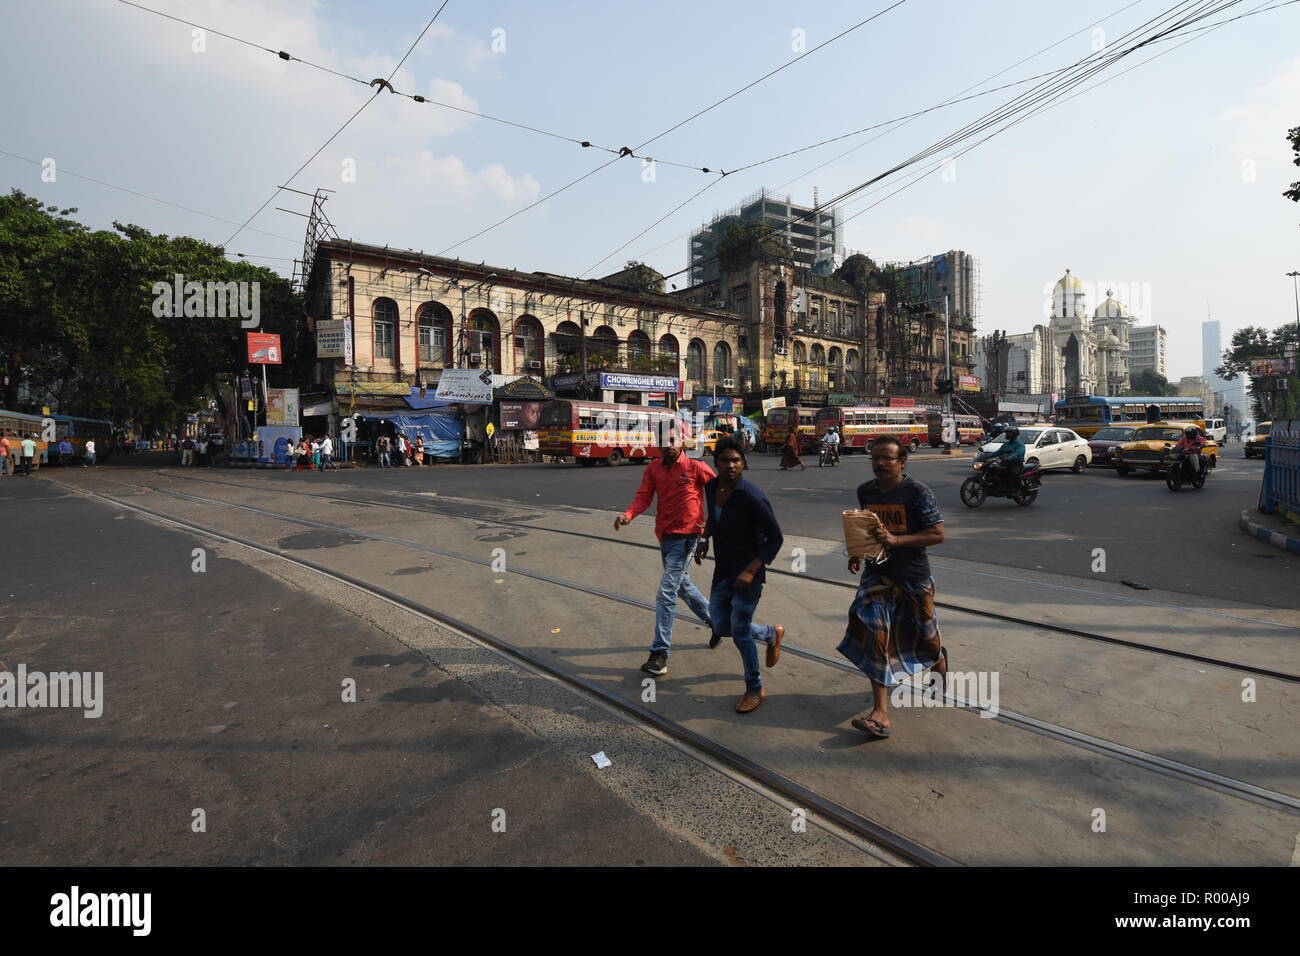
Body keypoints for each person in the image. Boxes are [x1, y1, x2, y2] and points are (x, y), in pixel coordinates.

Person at [838, 435, 947, 740]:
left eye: (887, 458)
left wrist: (898, 540)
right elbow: (868, 528)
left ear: (902, 462)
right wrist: (858, 553)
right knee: (875, 637)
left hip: (913, 575)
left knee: (925, 636)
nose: (880, 464)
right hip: (878, 576)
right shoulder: (866, 491)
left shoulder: (917, 492)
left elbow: (937, 534)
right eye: (875, 458)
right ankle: (880, 714)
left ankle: (938, 657)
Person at [615, 423, 717, 677]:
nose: (667, 446)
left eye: (672, 440)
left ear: (682, 441)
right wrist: (628, 514)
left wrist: (712, 528)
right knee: (683, 586)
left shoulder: (696, 467)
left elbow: (720, 492)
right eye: (663, 441)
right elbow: (644, 496)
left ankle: (660, 653)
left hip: (688, 537)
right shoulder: (653, 468)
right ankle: (717, 621)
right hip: (665, 536)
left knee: (666, 592)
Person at [696, 438, 786, 713]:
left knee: (741, 633)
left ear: (743, 462)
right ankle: (770, 634)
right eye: (725, 460)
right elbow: (714, 517)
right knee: (721, 625)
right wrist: (705, 537)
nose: (731, 465)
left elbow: (775, 538)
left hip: (749, 572)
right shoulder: (712, 487)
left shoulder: (752, 496)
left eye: (736, 460)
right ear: (716, 463)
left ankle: (754, 686)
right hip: (723, 568)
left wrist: (750, 571)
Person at [984, 425, 1025, 490]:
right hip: (1005, 462)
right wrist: (986, 456)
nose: (1007, 434)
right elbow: (998, 452)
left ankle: (1016, 489)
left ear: (1014, 434)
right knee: (993, 469)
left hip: (1016, 463)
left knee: (1013, 474)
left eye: (1009, 433)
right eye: (1006, 433)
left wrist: (1010, 457)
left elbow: (1018, 453)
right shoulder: (1006, 444)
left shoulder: (1020, 444)